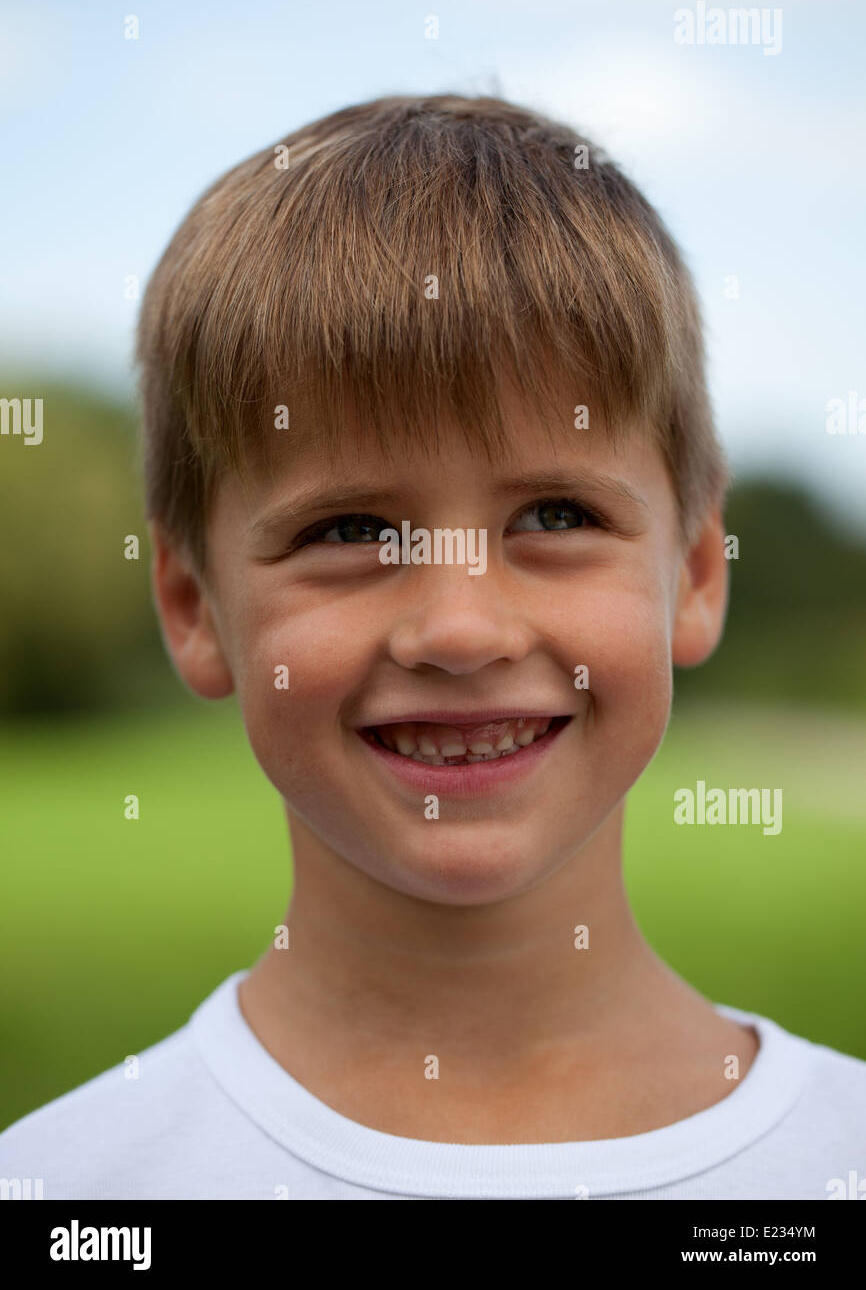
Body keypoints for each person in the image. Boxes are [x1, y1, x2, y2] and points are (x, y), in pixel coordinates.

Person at [3, 94, 864, 1200]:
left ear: (694, 572)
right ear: (191, 605)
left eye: (555, 517)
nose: (460, 629)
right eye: (349, 531)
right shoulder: (65, 1185)